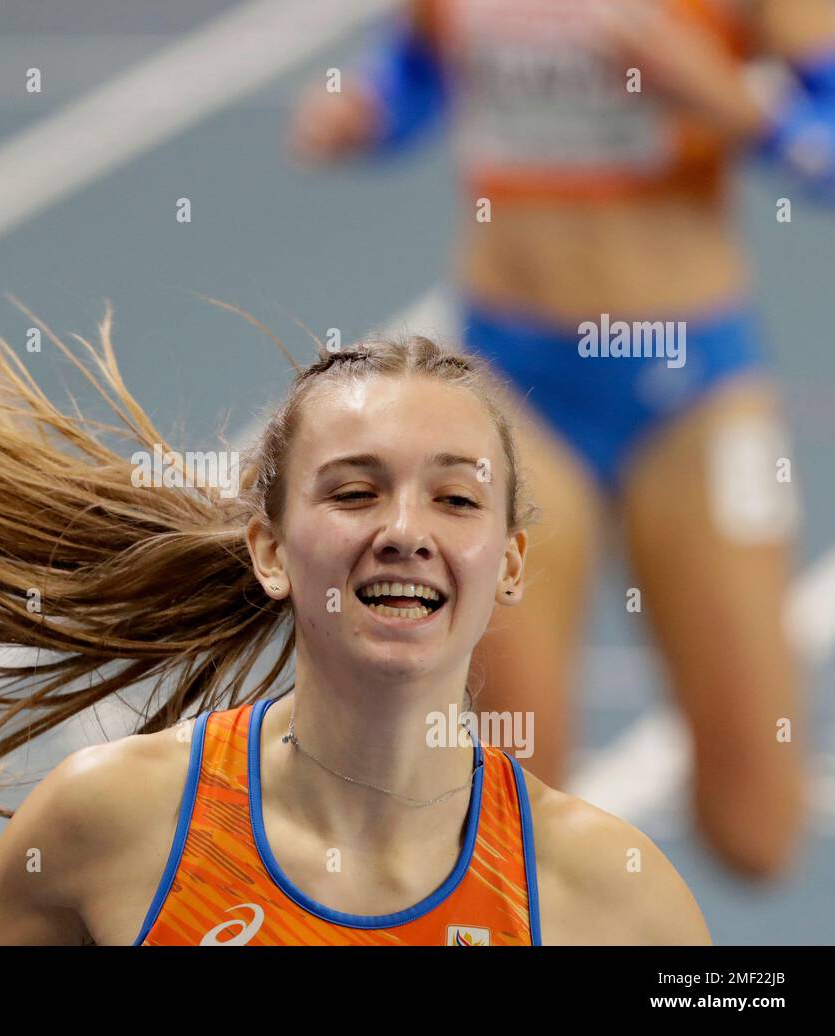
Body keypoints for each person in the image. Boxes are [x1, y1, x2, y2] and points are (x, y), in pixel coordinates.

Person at [0, 319, 712, 945]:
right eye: (354, 491)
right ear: (269, 550)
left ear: (507, 562)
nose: (405, 532)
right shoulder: (117, 822)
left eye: (455, 498)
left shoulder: (608, 898)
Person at [287, 0, 835, 880]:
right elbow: (417, 65)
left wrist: (728, 99)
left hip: (692, 389)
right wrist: (367, 112)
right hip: (514, 388)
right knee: (510, 804)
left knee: (755, 830)